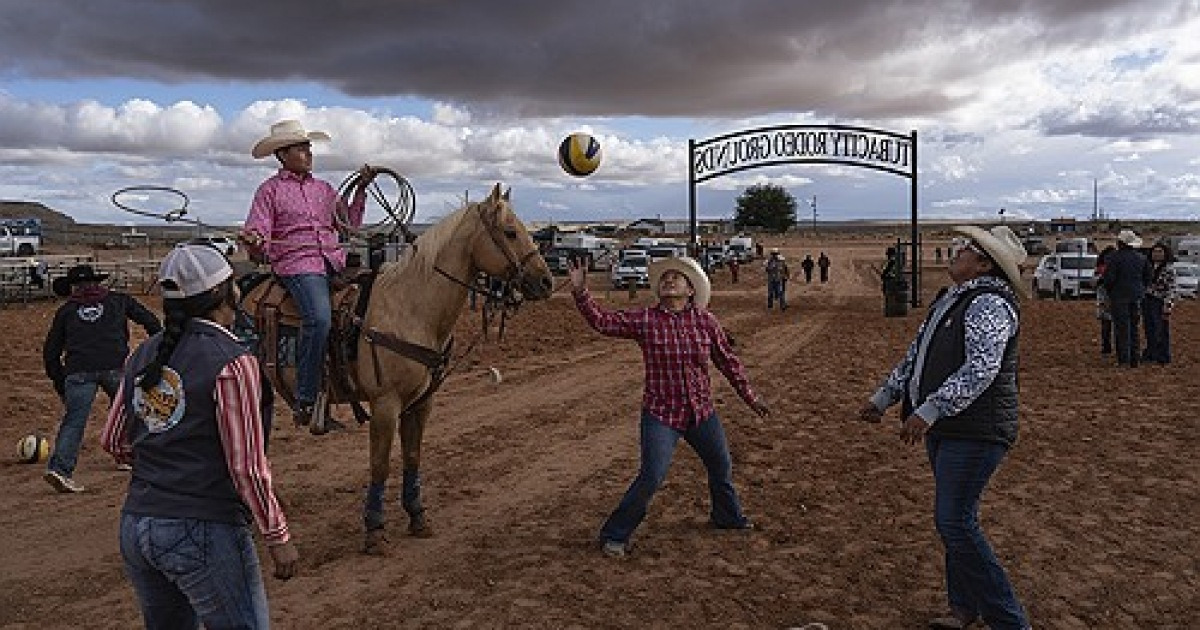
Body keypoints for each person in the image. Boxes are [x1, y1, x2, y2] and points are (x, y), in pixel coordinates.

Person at [100, 243, 297, 628]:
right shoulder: (234, 361)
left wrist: (166, 460)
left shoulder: (143, 354)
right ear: (226, 293)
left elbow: (113, 442)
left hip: (138, 523)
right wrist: (277, 535)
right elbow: (247, 468)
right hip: (204, 527)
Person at [858, 225, 1031, 630]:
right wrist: (885, 397)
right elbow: (918, 355)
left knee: (954, 520)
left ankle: (1007, 619)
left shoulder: (988, 304)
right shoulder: (953, 299)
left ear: (984, 264)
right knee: (955, 519)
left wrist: (930, 409)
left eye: (965, 250)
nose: (955, 253)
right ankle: (964, 608)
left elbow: (982, 368)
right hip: (954, 428)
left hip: (976, 428)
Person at [568, 255, 770, 557]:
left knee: (721, 466)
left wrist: (751, 398)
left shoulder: (706, 322)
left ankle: (727, 517)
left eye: (677, 277)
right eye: (665, 278)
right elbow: (602, 322)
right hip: (661, 414)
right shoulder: (646, 321)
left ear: (691, 290)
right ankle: (615, 534)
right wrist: (581, 292)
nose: (669, 280)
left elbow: (728, 363)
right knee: (652, 475)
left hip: (701, 412)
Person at [240, 119, 377, 428]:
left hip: (335, 261)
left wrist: (361, 190)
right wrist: (254, 240)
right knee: (319, 318)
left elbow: (349, 225)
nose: (308, 153)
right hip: (297, 264)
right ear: (282, 155)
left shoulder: (325, 189)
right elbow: (258, 232)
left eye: (308, 147)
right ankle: (305, 397)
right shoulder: (269, 191)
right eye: (301, 148)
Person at [42, 264, 161, 493]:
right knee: (132, 410)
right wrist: (158, 350)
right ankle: (134, 456)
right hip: (115, 365)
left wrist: (60, 380)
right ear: (98, 283)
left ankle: (61, 469)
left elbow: (51, 352)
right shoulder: (118, 301)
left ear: (73, 287)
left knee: (74, 420)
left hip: (79, 370)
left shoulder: (66, 311)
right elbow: (150, 321)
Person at [1101, 229, 1151, 367]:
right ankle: (1134, 358)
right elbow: (1148, 277)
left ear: (1120, 243)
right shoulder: (1142, 258)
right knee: (1134, 328)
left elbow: (1109, 279)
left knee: (1121, 328)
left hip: (1119, 296)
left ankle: (1124, 359)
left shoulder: (1113, 258)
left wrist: (1109, 292)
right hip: (1136, 296)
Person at [1141, 241, 1176, 365]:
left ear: (1166, 253)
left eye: (1160, 252)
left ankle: (1163, 355)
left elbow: (1171, 289)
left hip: (1160, 301)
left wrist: (1168, 305)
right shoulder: (1148, 266)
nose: (1157, 254)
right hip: (1147, 301)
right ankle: (1151, 353)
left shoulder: (1168, 269)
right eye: (1155, 251)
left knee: (1161, 330)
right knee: (1149, 328)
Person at [1094, 245, 1116, 354]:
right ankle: (1106, 346)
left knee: (1115, 324)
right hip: (1103, 297)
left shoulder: (1117, 268)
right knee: (1105, 325)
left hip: (1116, 297)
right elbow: (1094, 281)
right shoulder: (1100, 268)